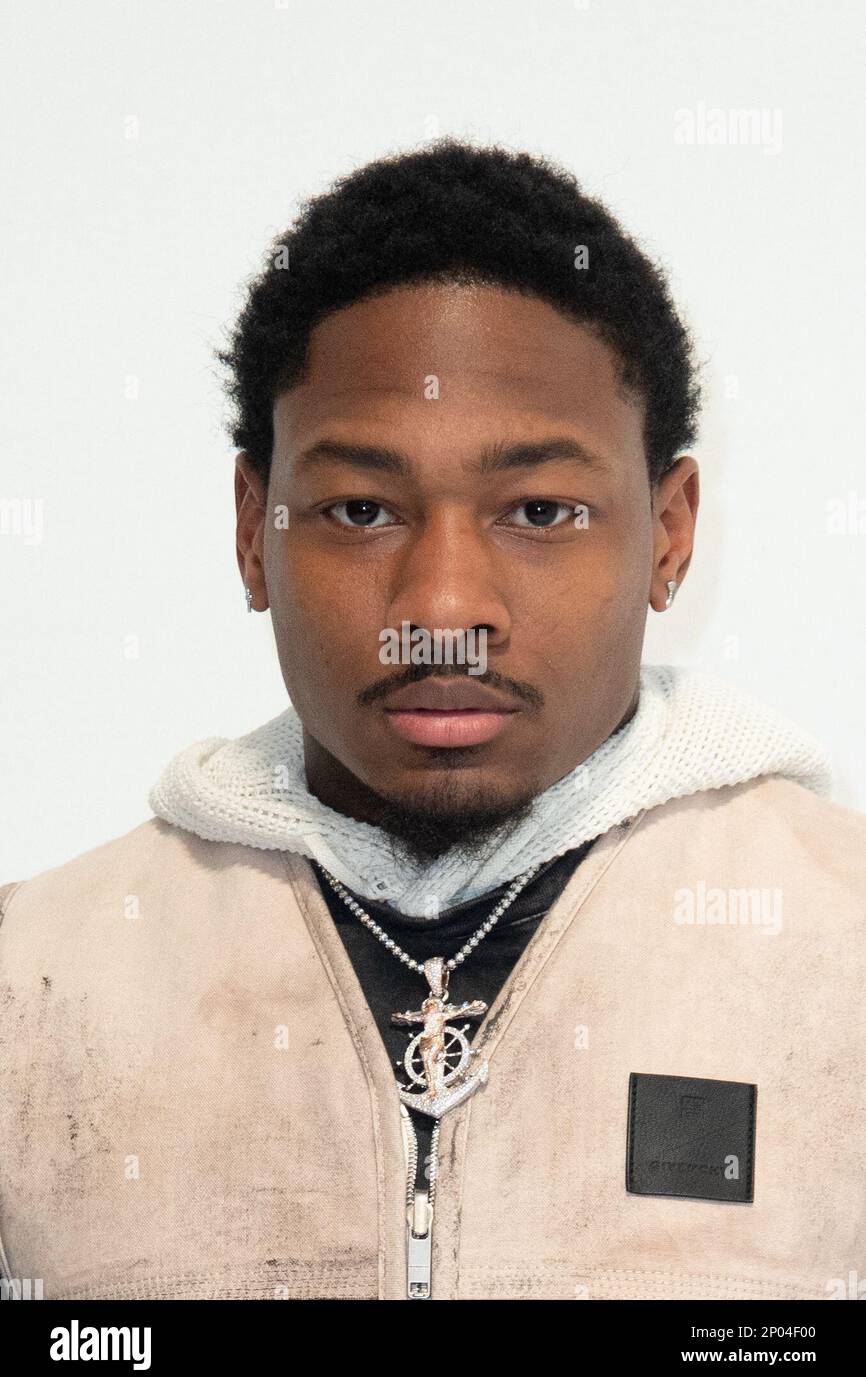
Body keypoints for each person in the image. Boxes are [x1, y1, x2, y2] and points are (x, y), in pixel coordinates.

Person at [1, 139, 863, 1303]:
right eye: (360, 507)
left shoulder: (837, 951)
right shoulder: (35, 982)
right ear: (255, 530)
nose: (443, 608)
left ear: (667, 533)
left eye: (540, 510)